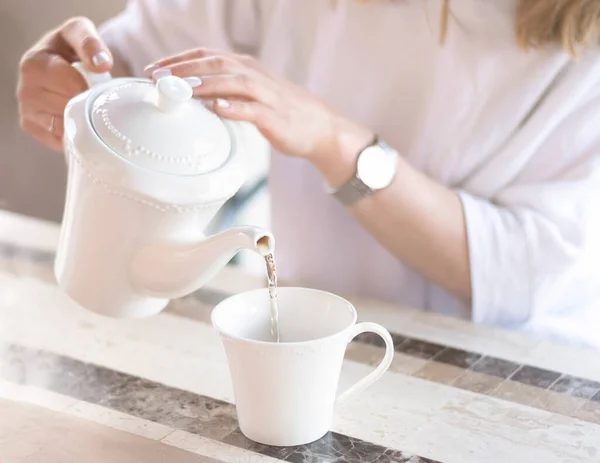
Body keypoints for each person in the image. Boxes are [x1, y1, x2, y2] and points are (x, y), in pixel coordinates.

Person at [17, 0, 600, 349]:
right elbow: (144, 53)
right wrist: (83, 73)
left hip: (517, 375)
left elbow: (526, 272)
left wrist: (336, 143)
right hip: (311, 331)